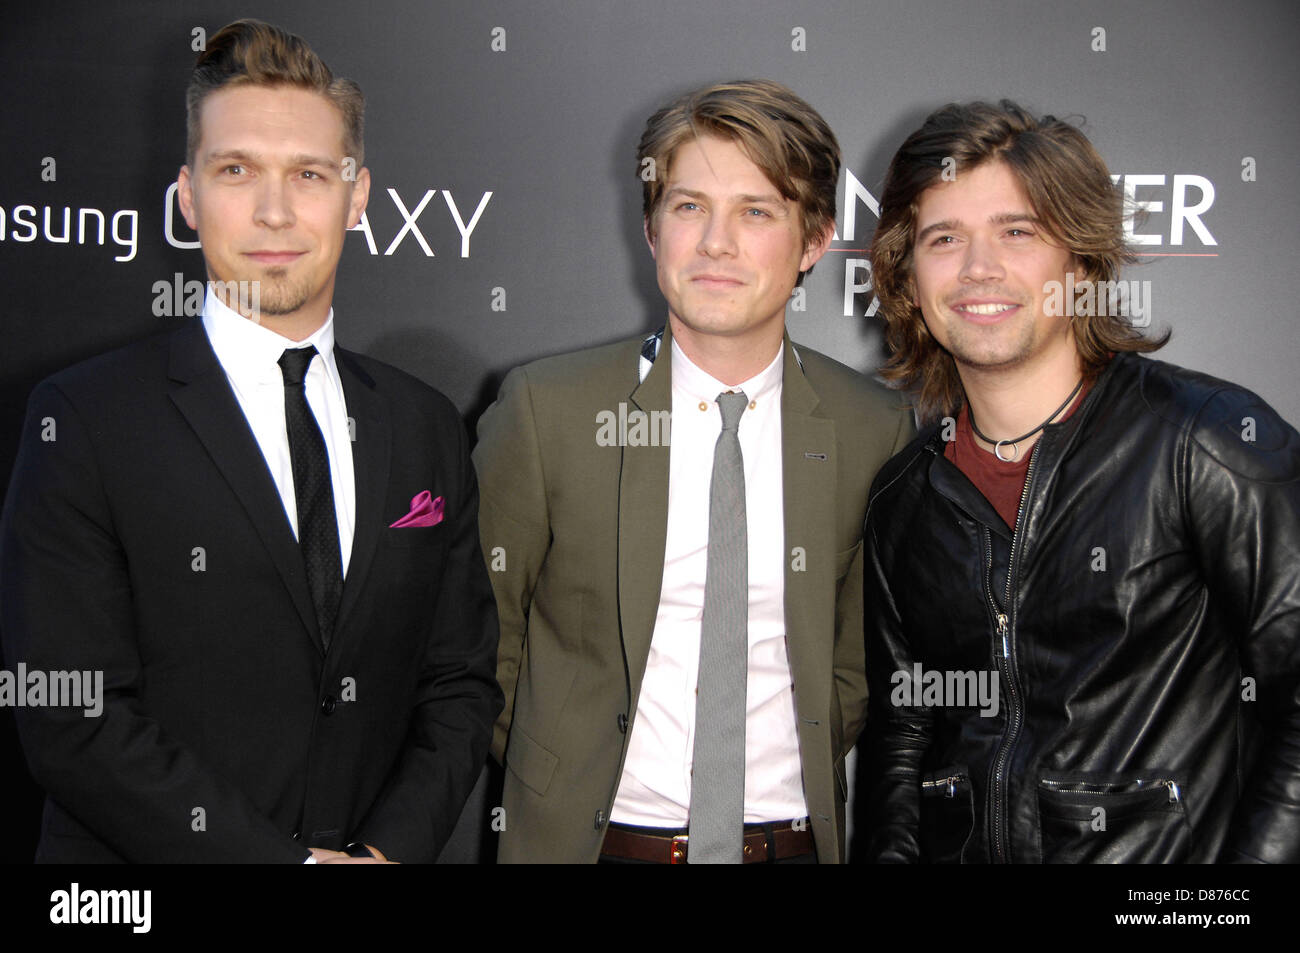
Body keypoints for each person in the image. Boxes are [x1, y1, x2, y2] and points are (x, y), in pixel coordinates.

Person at [0, 19, 501, 863]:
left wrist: (386, 854)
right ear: (189, 196)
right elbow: (72, 714)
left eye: (308, 174)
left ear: (358, 196)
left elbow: (458, 684)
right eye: (237, 171)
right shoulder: (82, 419)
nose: (274, 210)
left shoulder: (422, 425)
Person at [474, 79, 914, 864]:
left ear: (814, 240)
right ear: (650, 228)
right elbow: (479, 647)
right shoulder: (548, 411)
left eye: (757, 211)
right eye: (688, 206)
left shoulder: (871, 427)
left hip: (790, 846)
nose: (717, 241)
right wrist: (556, 768)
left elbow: (861, 659)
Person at [860, 100, 1300, 863]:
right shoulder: (904, 500)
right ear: (907, 275)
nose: (978, 268)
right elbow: (907, 731)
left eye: (1017, 231)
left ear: (1080, 259)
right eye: (944, 238)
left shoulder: (1207, 442)